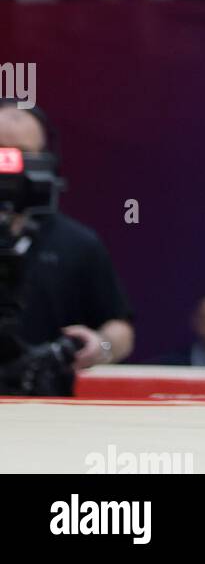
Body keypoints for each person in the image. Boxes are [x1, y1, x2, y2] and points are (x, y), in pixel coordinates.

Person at [0, 103, 134, 392]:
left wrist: (102, 346)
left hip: (50, 412)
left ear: (47, 162)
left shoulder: (77, 243)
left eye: (22, 154)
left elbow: (120, 329)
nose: (7, 165)